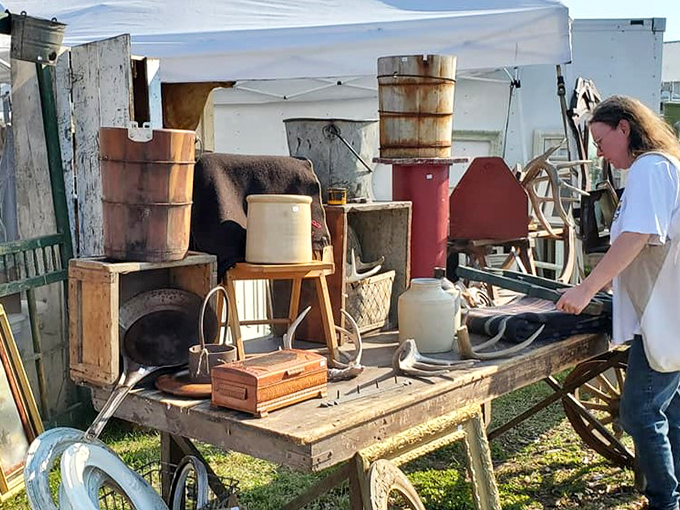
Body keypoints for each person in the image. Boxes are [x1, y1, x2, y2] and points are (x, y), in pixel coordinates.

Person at [556, 95, 680, 510]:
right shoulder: (661, 167)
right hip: (665, 311)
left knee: (640, 412)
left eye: (601, 138)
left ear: (625, 128)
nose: (599, 151)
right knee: (671, 411)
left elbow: (637, 236)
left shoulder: (651, 168)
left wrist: (586, 288)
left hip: (666, 317)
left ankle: (665, 502)